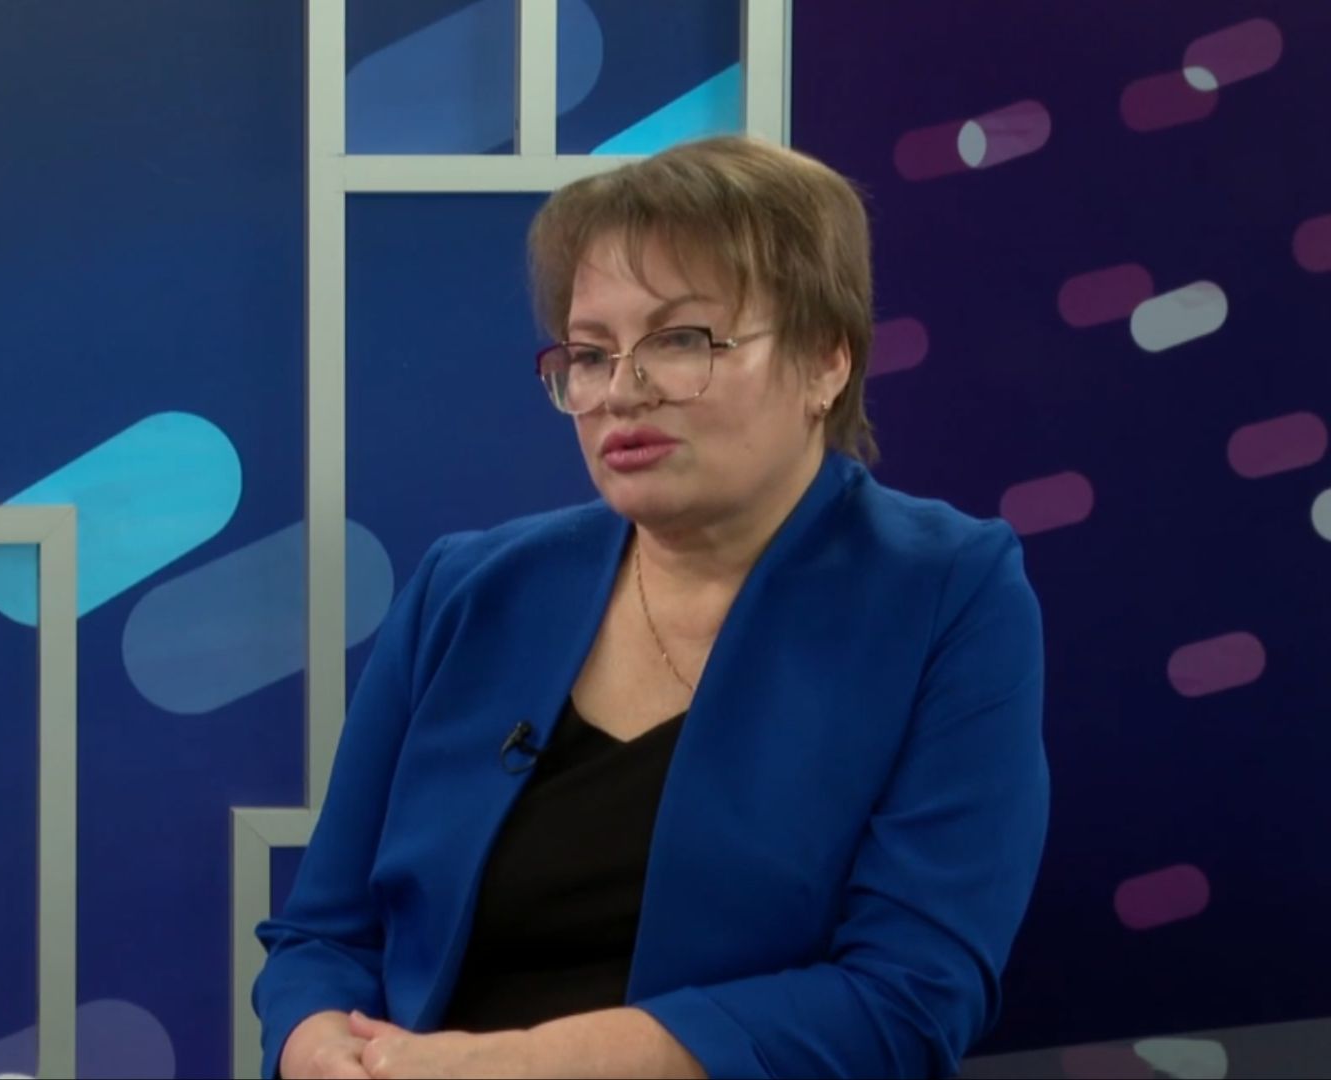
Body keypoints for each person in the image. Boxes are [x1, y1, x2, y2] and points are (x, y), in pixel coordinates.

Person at [252, 135, 1049, 1080]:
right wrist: (320, 1049)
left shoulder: (947, 590)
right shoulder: (466, 590)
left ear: (825, 360)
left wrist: (518, 1068)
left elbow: (910, 998)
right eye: (591, 354)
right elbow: (322, 938)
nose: (622, 392)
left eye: (680, 341)